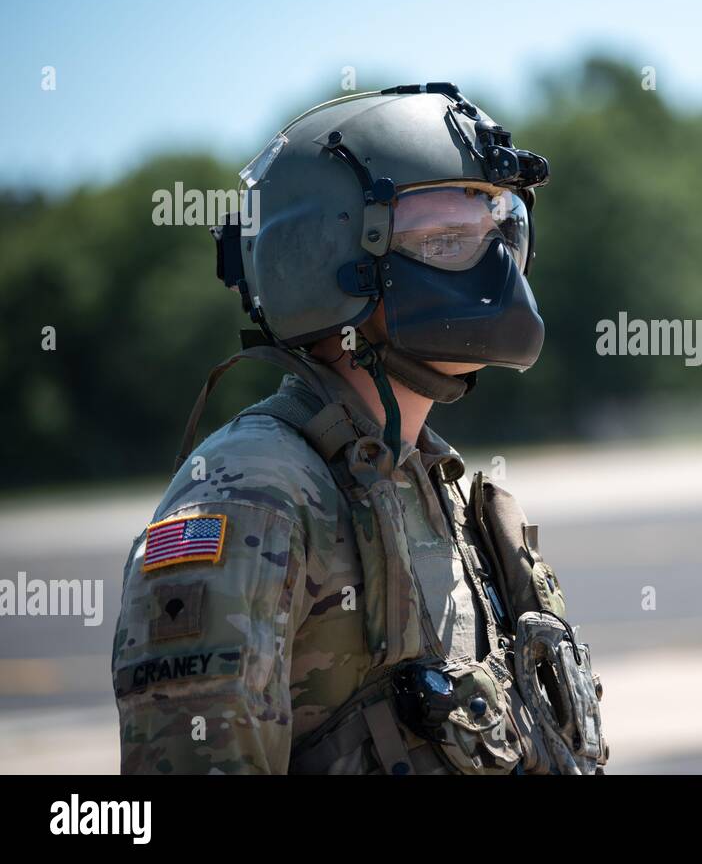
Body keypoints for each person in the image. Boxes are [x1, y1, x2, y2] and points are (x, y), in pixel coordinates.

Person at [111, 82, 607, 774]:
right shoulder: (252, 494)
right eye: (446, 239)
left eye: (500, 229)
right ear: (326, 262)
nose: (494, 263)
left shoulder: (442, 490)